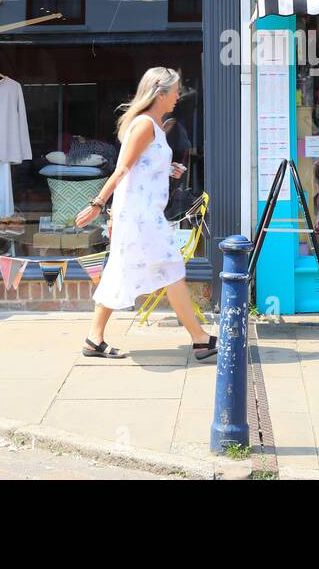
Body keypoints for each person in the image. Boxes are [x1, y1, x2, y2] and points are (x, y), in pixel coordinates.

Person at [73, 68, 216, 360]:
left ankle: (94, 338)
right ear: (159, 93)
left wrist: (167, 169)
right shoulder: (144, 125)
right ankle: (200, 338)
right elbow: (123, 168)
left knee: (119, 270)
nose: (179, 95)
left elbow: (142, 166)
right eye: (175, 90)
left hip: (143, 212)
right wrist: (98, 203)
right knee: (172, 268)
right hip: (140, 216)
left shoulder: (154, 125)